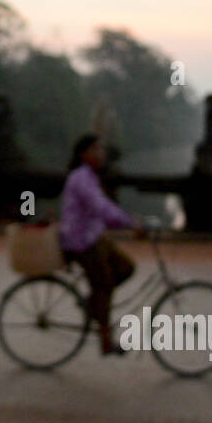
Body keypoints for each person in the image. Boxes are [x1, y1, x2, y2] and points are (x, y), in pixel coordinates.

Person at [59, 134, 144, 355]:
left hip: (94, 236)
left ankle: (92, 304)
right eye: (96, 149)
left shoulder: (90, 176)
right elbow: (101, 207)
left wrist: (128, 220)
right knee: (104, 285)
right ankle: (106, 341)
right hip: (81, 242)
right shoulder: (81, 178)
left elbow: (103, 206)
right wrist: (130, 223)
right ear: (83, 154)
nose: (101, 154)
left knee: (126, 268)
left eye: (101, 149)